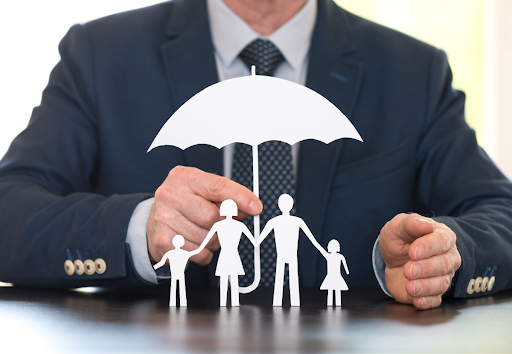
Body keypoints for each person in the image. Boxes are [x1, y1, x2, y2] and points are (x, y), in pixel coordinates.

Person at [0, 0, 511, 311]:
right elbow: (8, 212)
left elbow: (501, 214)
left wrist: (444, 253)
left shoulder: (411, 71)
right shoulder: (100, 55)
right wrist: (139, 226)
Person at [257, 194, 327, 306]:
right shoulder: (279, 221)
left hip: (290, 255)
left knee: (289, 280)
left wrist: (325, 253)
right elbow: (259, 240)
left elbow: (312, 239)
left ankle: (289, 303)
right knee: (282, 280)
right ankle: (281, 303)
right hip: (284, 255)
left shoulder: (289, 221)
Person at [194, 199, 257, 306]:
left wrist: (198, 249)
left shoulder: (219, 225)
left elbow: (206, 241)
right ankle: (233, 302)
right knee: (232, 278)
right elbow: (254, 241)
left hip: (227, 254)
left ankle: (226, 302)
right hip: (231, 254)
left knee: (226, 278)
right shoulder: (238, 225)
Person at [153, 234, 198, 307]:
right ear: (182, 243)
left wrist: (155, 267)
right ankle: (182, 303)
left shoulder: (170, 253)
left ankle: (176, 303)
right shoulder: (184, 253)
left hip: (175, 274)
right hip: (179, 274)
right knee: (181, 289)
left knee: (174, 290)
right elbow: (195, 252)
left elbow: (161, 262)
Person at [320, 239, 349, 307]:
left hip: (334, 276)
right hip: (333, 276)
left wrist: (347, 271)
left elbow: (345, 265)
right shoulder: (338, 256)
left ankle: (333, 304)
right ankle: (333, 304)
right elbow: (345, 266)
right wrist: (347, 271)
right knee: (335, 291)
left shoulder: (330, 256)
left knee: (332, 291)